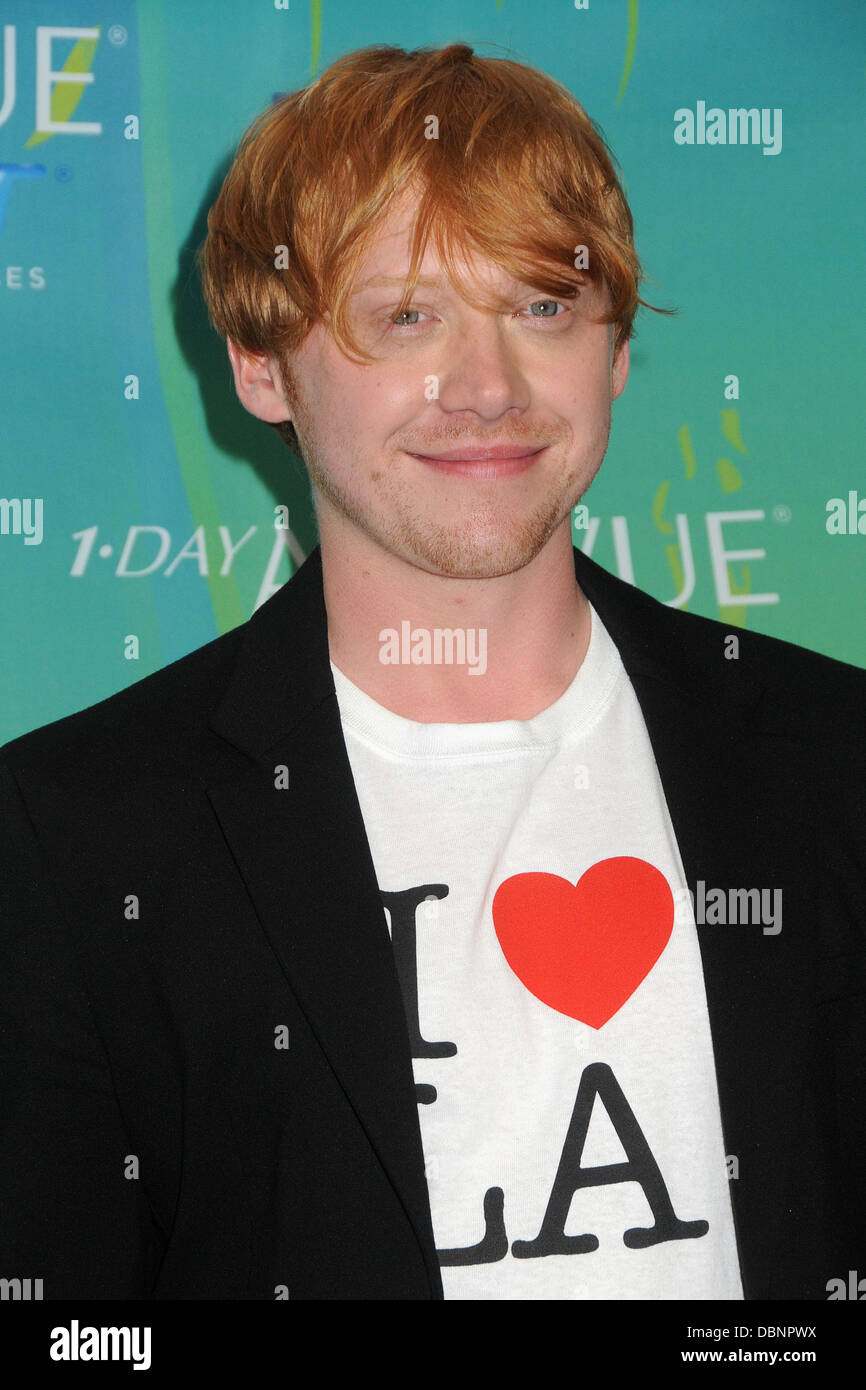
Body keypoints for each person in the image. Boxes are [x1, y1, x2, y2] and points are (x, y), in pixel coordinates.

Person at [1, 42, 863, 1302]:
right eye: (405, 315)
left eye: (541, 307)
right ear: (260, 366)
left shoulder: (828, 754)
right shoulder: (75, 834)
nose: (487, 387)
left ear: (615, 352)